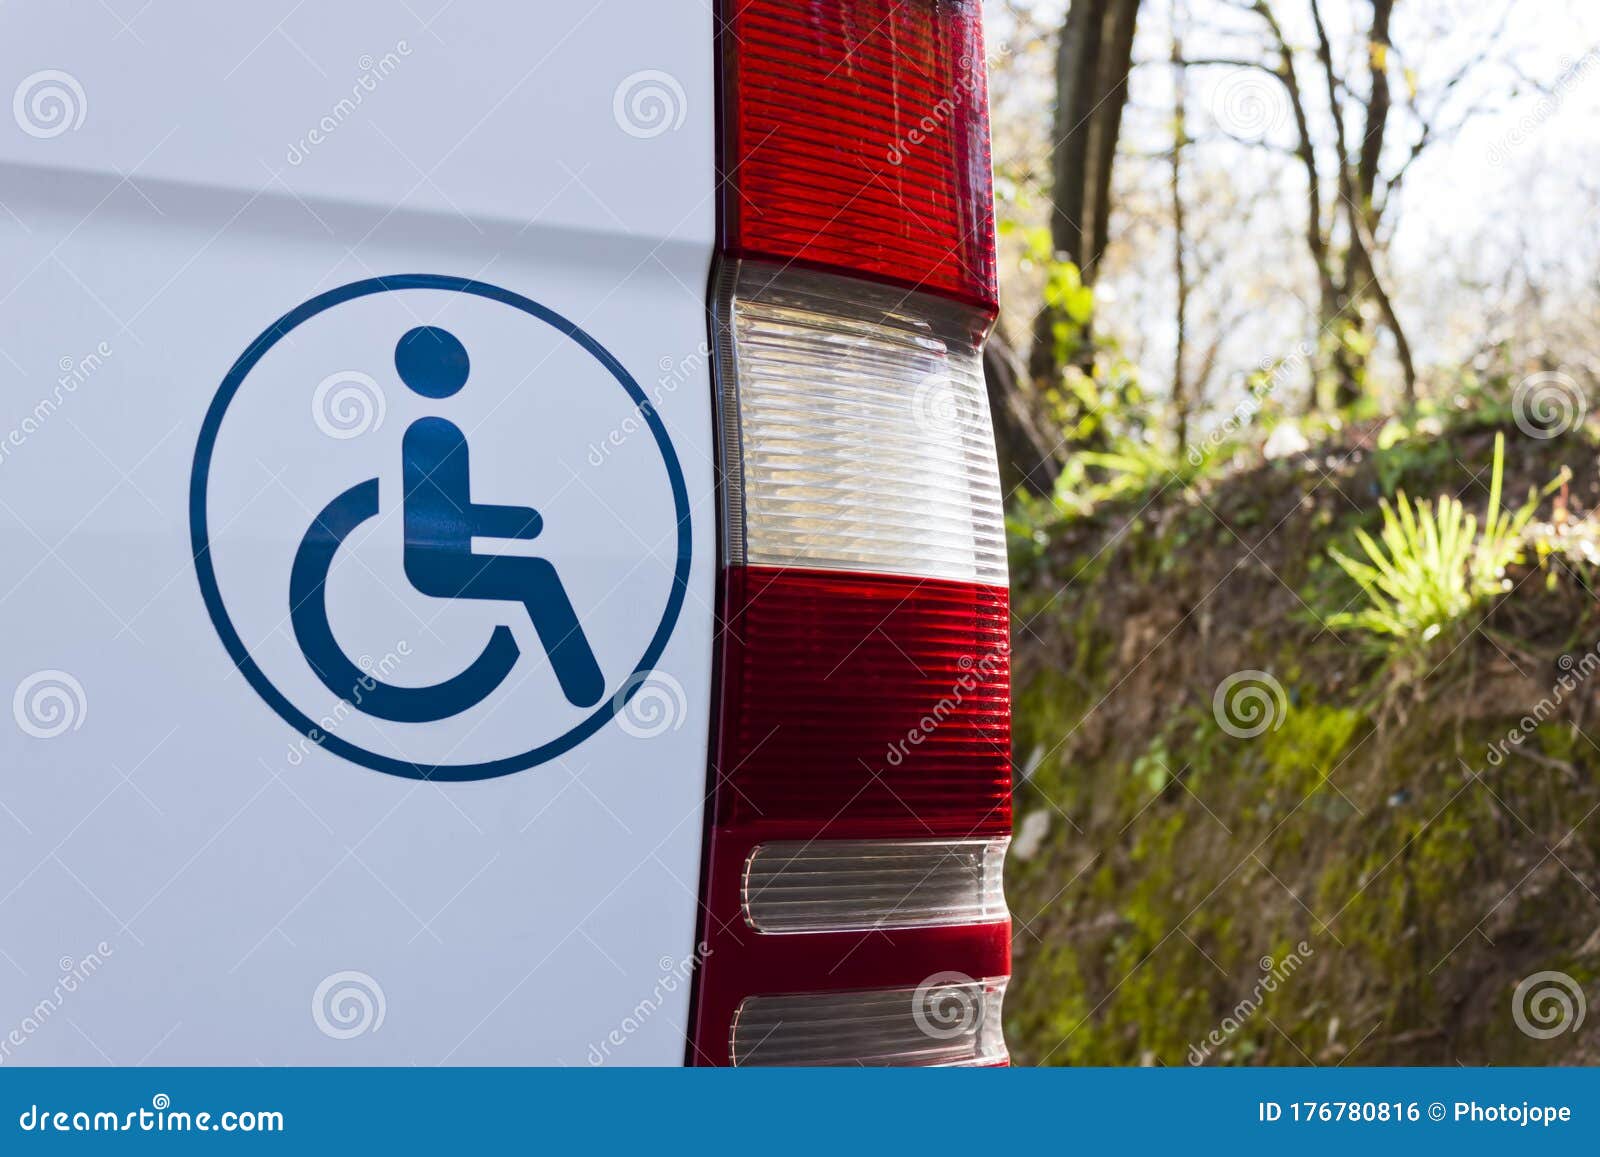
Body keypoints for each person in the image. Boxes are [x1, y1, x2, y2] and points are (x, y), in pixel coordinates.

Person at [394, 325, 604, 708]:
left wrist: (519, 523)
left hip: (448, 556)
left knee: (535, 573)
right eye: (448, 360)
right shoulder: (431, 434)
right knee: (535, 576)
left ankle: (583, 685)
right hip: (433, 564)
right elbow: (439, 521)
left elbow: (453, 515)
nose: (457, 366)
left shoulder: (439, 432)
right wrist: (522, 523)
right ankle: (583, 685)